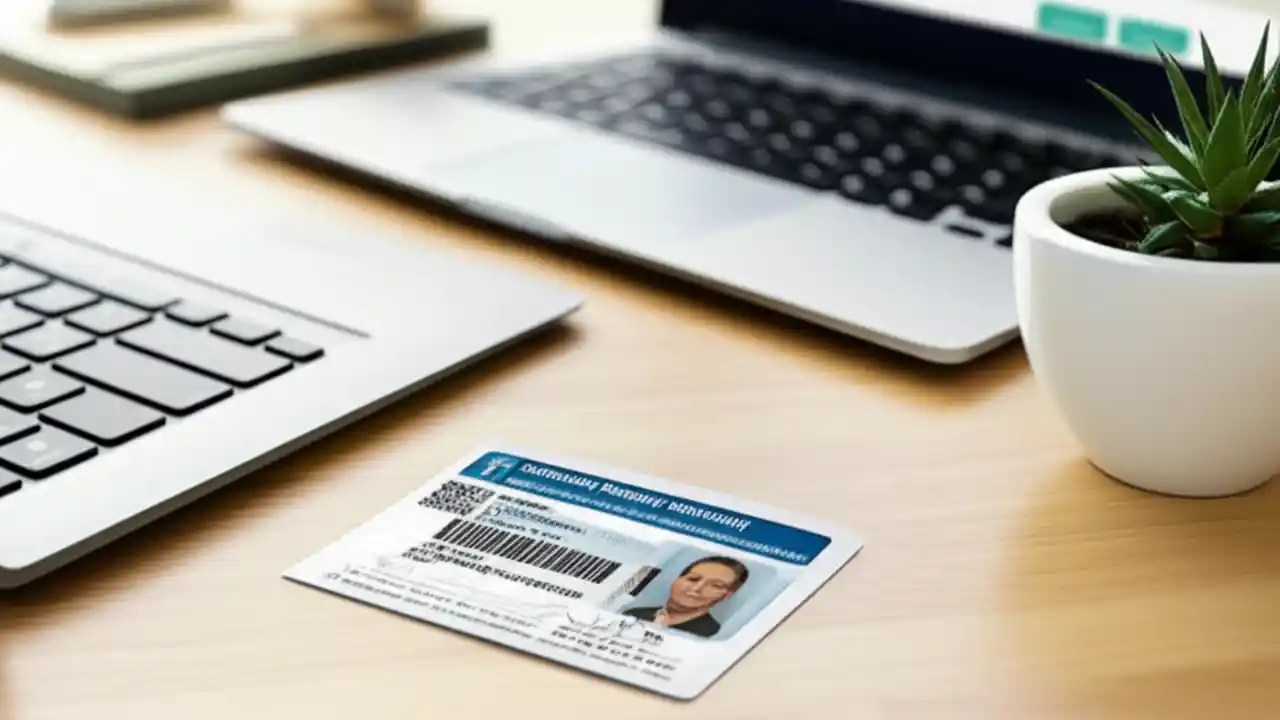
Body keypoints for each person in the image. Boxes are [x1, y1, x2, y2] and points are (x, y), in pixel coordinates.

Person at [623, 556, 749, 638]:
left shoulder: (711, 634)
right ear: (677, 580)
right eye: (693, 579)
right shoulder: (633, 613)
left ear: (727, 595)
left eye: (716, 585)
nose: (697, 589)